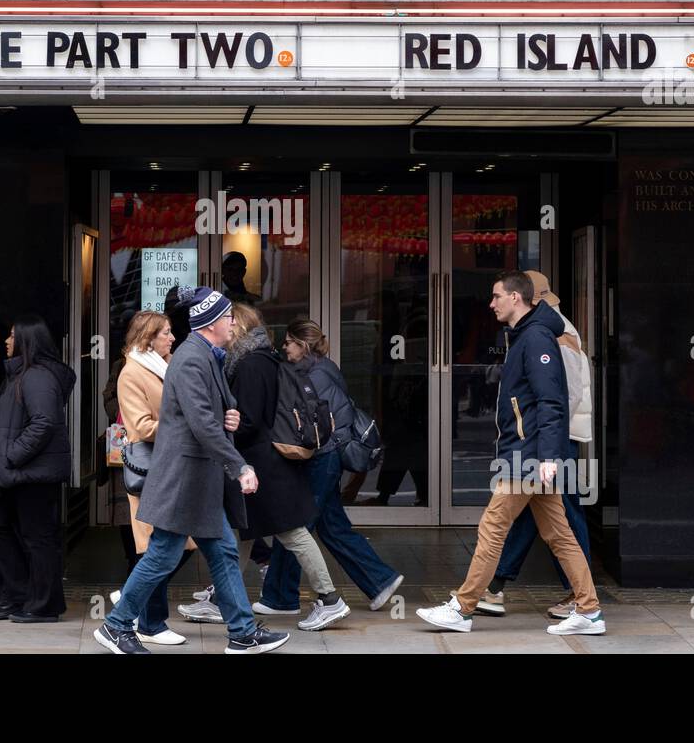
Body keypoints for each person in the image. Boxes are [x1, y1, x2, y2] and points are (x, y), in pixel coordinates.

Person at [94, 287, 289, 654]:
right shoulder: (191, 359)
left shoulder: (203, 355)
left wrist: (229, 416)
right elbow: (199, 423)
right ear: (213, 322)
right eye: (229, 317)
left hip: (197, 478)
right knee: (163, 555)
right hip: (185, 477)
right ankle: (117, 624)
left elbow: (206, 411)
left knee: (224, 552)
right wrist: (239, 465)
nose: (234, 323)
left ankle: (243, 632)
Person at [416, 271, 606, 636]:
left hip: (529, 454)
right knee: (561, 535)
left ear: (516, 298)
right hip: (532, 450)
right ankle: (590, 610)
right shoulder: (529, 335)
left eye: (496, 296)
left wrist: (549, 457)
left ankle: (462, 606)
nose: (491, 304)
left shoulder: (535, 338)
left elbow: (552, 401)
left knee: (492, 526)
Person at [258, 319, 404, 615]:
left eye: (289, 342)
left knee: (294, 524)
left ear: (303, 345)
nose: (284, 347)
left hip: (323, 458)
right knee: (332, 526)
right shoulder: (323, 367)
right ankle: (380, 580)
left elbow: (315, 420)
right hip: (328, 457)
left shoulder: (315, 374)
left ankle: (280, 597)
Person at [226, 304, 350, 631]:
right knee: (242, 531)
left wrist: (227, 432)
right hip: (268, 460)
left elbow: (250, 419)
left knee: (292, 532)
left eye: (228, 322)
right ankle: (222, 598)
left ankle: (330, 599)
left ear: (238, 327)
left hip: (262, 462)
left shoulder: (251, 364)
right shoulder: (265, 357)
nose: (223, 328)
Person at [480, 271, 594, 620]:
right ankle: (497, 586)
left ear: (523, 298)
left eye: (499, 296)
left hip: (555, 440)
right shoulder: (542, 329)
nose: (493, 304)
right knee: (545, 516)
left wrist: (547, 445)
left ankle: (578, 597)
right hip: (551, 440)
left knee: (566, 517)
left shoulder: (551, 333)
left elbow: (561, 395)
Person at [111, 310, 198, 644]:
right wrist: (186, 425)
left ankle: (134, 598)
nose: (172, 338)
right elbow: (141, 426)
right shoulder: (132, 373)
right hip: (153, 469)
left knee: (177, 544)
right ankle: (151, 623)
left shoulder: (165, 365)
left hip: (173, 466)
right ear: (148, 337)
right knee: (156, 548)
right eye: (166, 333)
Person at [0, 314, 74, 623]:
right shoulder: (20, 375)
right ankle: (19, 594)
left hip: (31, 474)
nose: (6, 341)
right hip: (15, 474)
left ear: (26, 341)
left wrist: (12, 455)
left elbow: (44, 422)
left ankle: (44, 604)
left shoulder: (38, 377)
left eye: (12, 336)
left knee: (39, 538)